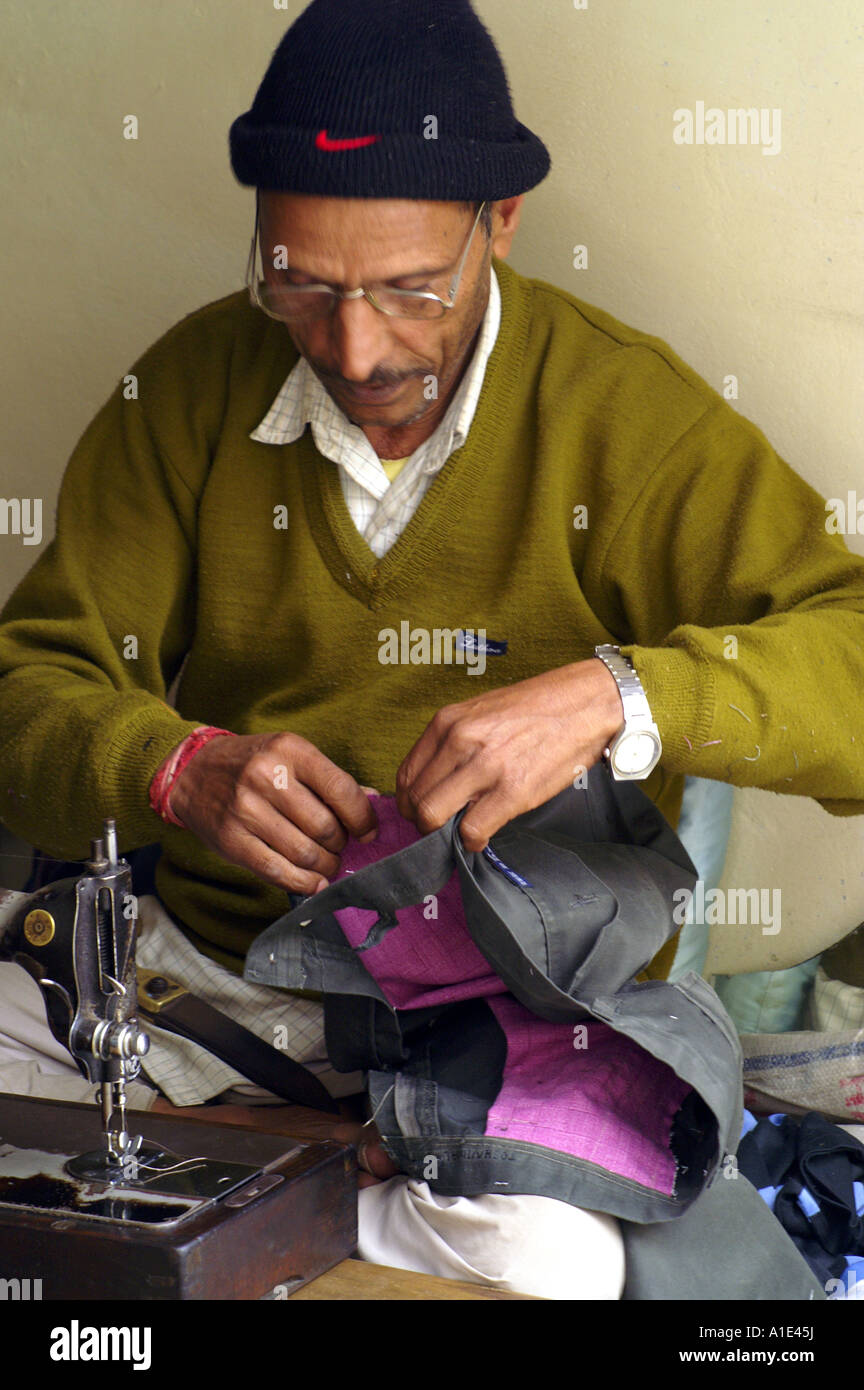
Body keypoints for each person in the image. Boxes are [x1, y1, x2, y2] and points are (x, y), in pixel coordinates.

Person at [0, 0, 862, 1299]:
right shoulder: (183, 395)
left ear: (500, 225)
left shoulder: (623, 419)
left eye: (412, 289)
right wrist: (170, 767)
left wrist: (620, 694)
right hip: (206, 990)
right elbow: (27, 693)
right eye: (300, 281)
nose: (356, 346)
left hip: (498, 1030)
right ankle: (282, 1197)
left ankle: (266, 1206)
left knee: (551, 1263)